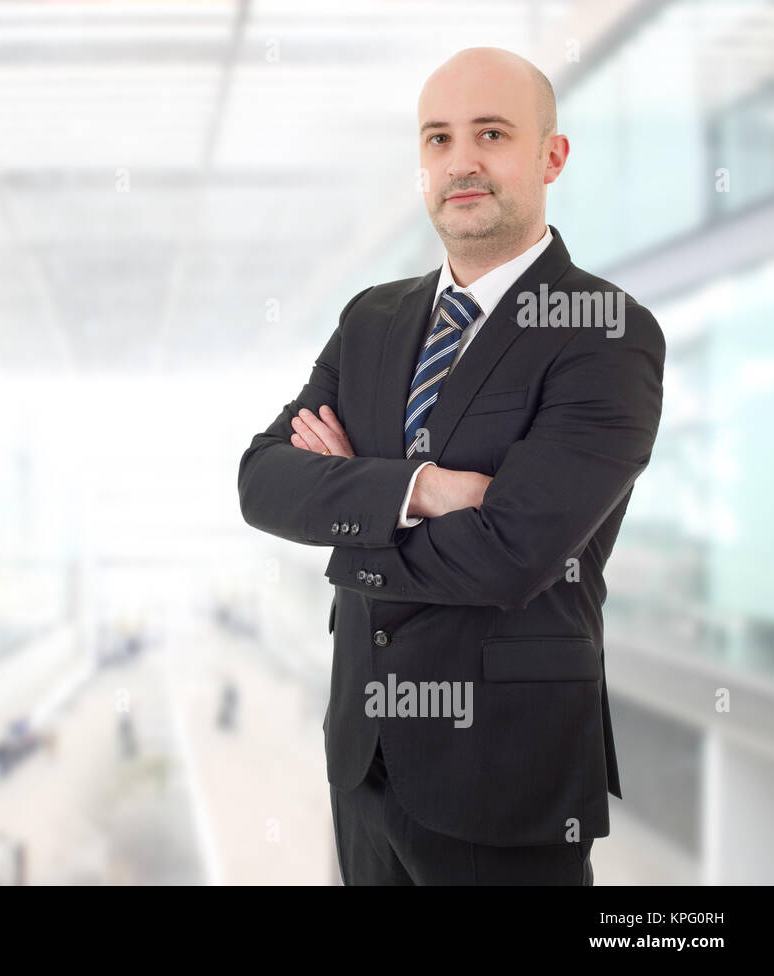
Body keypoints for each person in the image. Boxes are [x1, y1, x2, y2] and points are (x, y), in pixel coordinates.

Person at [237, 47, 666, 884]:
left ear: (552, 156)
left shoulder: (604, 331)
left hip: (505, 776)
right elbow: (262, 481)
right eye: (438, 139)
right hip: (362, 760)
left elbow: (513, 555)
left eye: (492, 134)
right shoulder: (371, 319)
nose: (460, 161)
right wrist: (420, 489)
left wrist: (346, 507)